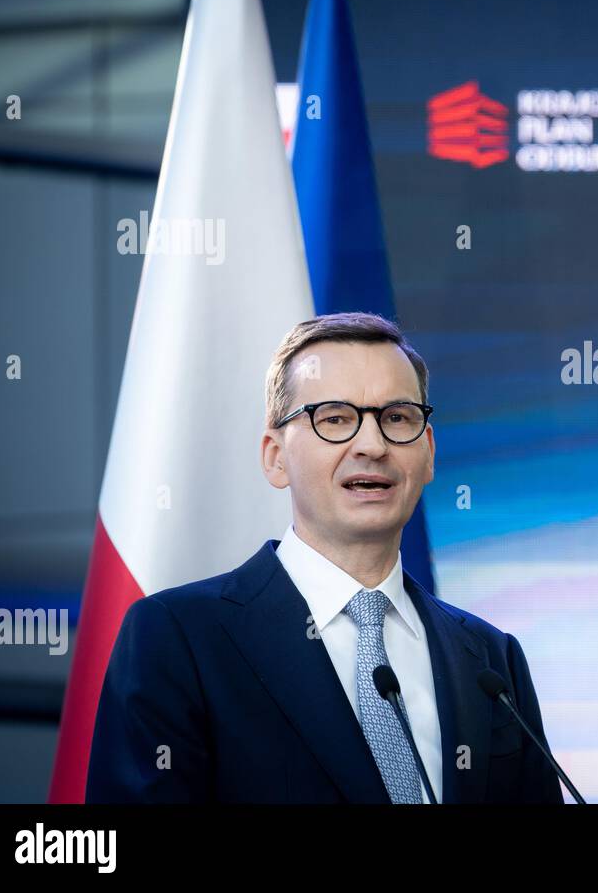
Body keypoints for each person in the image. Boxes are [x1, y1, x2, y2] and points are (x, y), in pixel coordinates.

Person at [86, 312, 564, 803]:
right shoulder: (177, 639)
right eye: (335, 418)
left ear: (429, 453)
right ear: (275, 456)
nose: (373, 445)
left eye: (398, 418)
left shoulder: (491, 659)